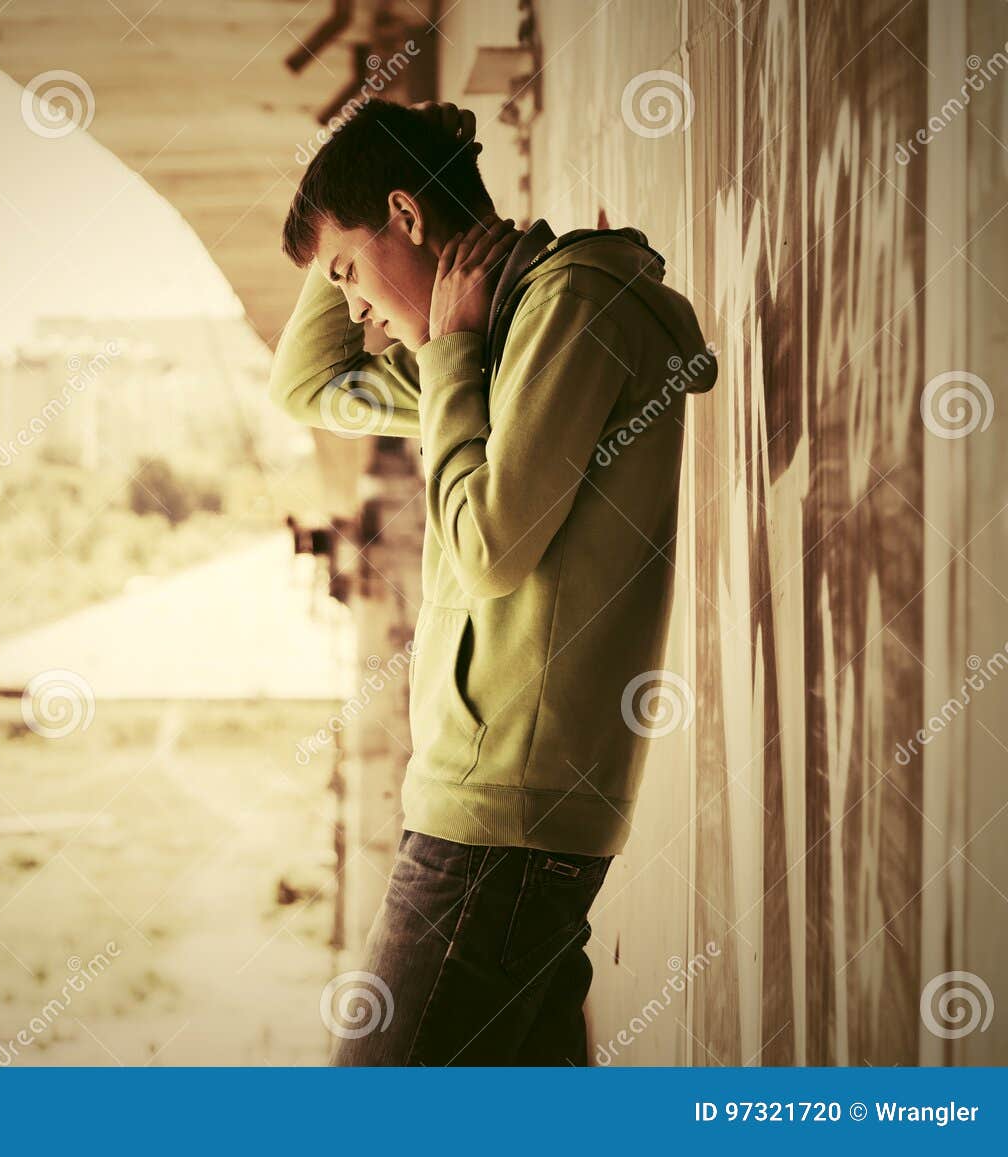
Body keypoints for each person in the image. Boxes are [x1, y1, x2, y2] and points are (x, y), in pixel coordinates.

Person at [269, 98, 717, 1065]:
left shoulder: (567, 308)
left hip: (499, 816)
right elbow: (308, 386)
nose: (355, 312)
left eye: (348, 273)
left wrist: (447, 355)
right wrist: (356, 195)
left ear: (406, 214)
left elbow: (488, 547)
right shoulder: (497, 337)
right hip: (497, 807)